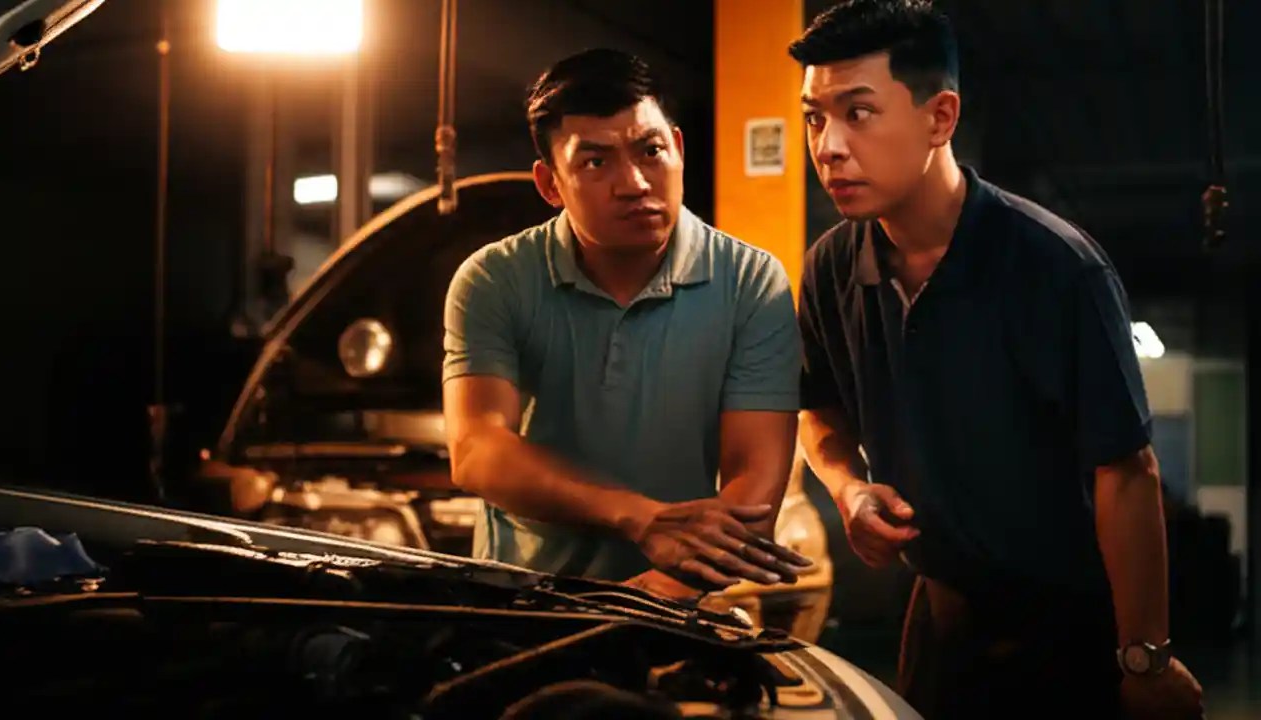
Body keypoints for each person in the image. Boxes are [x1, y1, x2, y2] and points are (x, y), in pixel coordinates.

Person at [787, 2, 1204, 718]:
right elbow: (817, 405)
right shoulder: (830, 268)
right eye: (814, 117)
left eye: (857, 113)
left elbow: (1127, 472)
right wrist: (849, 488)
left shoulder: (1057, 268)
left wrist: (1145, 654)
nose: (827, 145)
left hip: (1069, 627)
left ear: (940, 117)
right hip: (940, 616)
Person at [441, 48, 811, 600]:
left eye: (651, 150)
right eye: (596, 162)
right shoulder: (495, 279)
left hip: (673, 603)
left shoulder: (750, 282)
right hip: (522, 598)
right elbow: (476, 448)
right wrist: (634, 516)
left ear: (679, 149)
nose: (635, 182)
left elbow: (753, 487)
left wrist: (646, 598)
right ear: (549, 184)